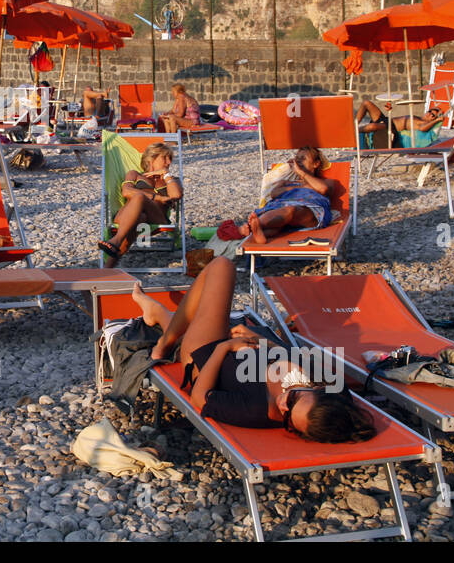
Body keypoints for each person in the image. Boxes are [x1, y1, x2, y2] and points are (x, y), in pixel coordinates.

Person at [133, 257, 376, 442]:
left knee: (221, 266)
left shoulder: (257, 411)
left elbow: (199, 396)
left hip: (206, 357)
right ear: (321, 389)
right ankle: (160, 315)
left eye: (289, 420)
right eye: (293, 398)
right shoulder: (332, 390)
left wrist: (225, 348)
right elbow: (292, 357)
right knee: (217, 286)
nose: (283, 405)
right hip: (249, 349)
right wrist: (263, 343)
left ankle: (165, 342)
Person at [99, 141, 182, 267]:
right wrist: (158, 197)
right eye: (165, 158)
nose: (169, 162)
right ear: (151, 159)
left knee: (139, 196)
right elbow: (126, 192)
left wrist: (166, 175)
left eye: (170, 159)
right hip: (127, 216)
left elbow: (176, 195)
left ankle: (115, 241)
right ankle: (108, 267)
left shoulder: (172, 179)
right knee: (140, 215)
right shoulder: (135, 174)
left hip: (157, 217)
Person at [235, 145, 335, 244]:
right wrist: (300, 186)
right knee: (279, 222)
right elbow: (274, 194)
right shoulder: (286, 182)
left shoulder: (327, 181)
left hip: (310, 212)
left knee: (292, 209)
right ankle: (261, 233)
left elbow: (323, 189)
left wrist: (301, 173)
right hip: (281, 211)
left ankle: (253, 226)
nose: (298, 161)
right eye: (297, 158)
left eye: (303, 158)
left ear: (316, 163)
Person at [355, 98, 446, 149]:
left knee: (372, 126)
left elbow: (423, 129)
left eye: (433, 115)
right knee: (366, 103)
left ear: (433, 119)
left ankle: (352, 132)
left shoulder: (422, 123)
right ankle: (353, 125)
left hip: (390, 128)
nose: (429, 114)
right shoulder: (417, 117)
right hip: (386, 120)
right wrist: (390, 110)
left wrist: (437, 121)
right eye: (430, 111)